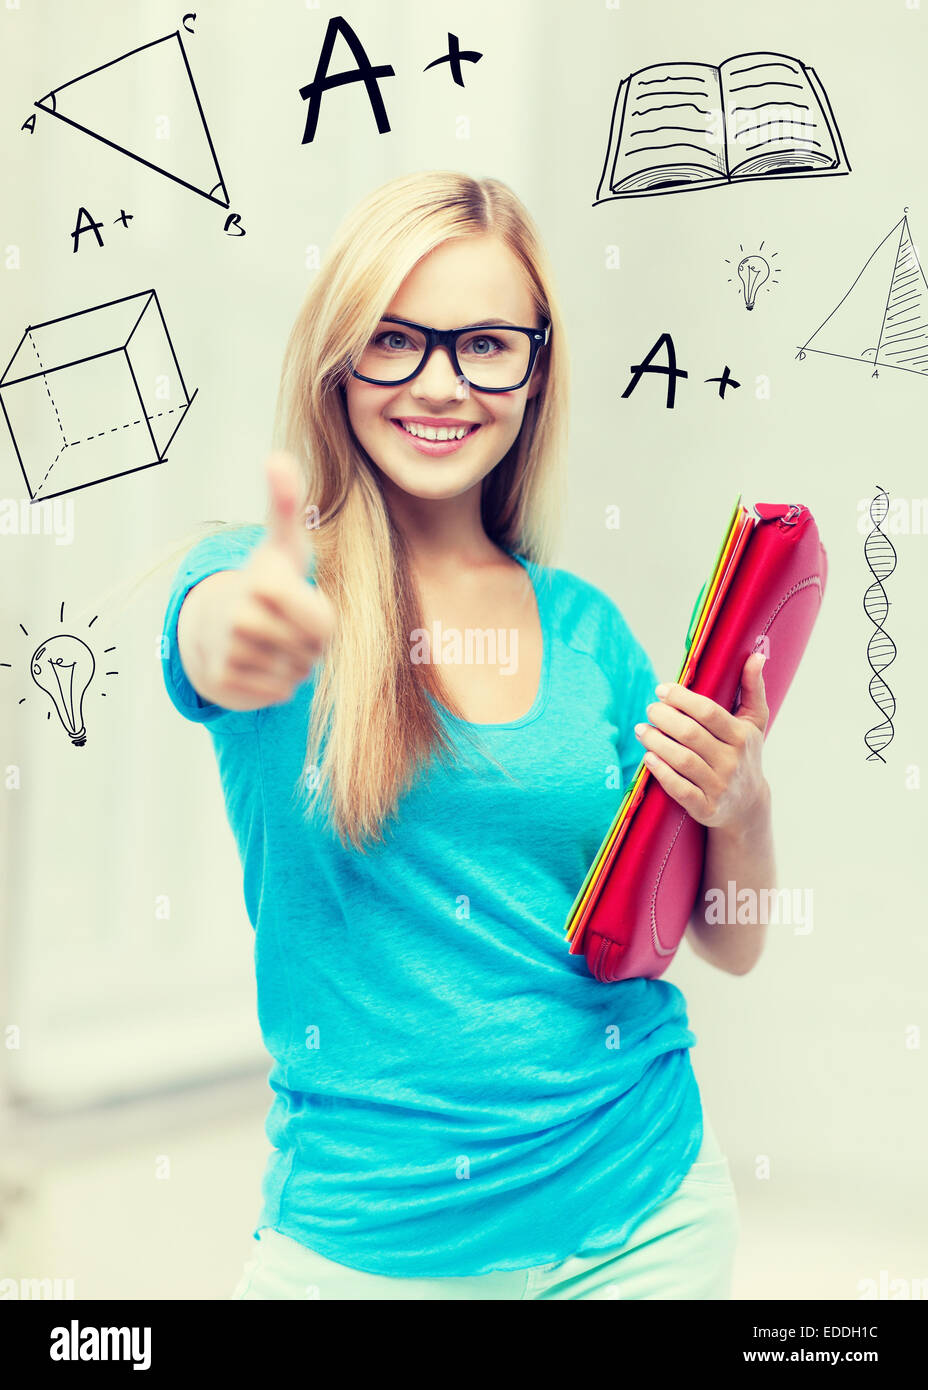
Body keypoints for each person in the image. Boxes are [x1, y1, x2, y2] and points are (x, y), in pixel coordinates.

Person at [161, 170, 776, 1300]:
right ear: (339, 360)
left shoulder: (589, 631)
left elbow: (724, 942)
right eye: (396, 339)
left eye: (485, 344)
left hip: (644, 1218)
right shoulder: (262, 585)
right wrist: (242, 635)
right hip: (366, 1248)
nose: (440, 382)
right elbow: (214, 640)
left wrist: (742, 807)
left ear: (535, 370)